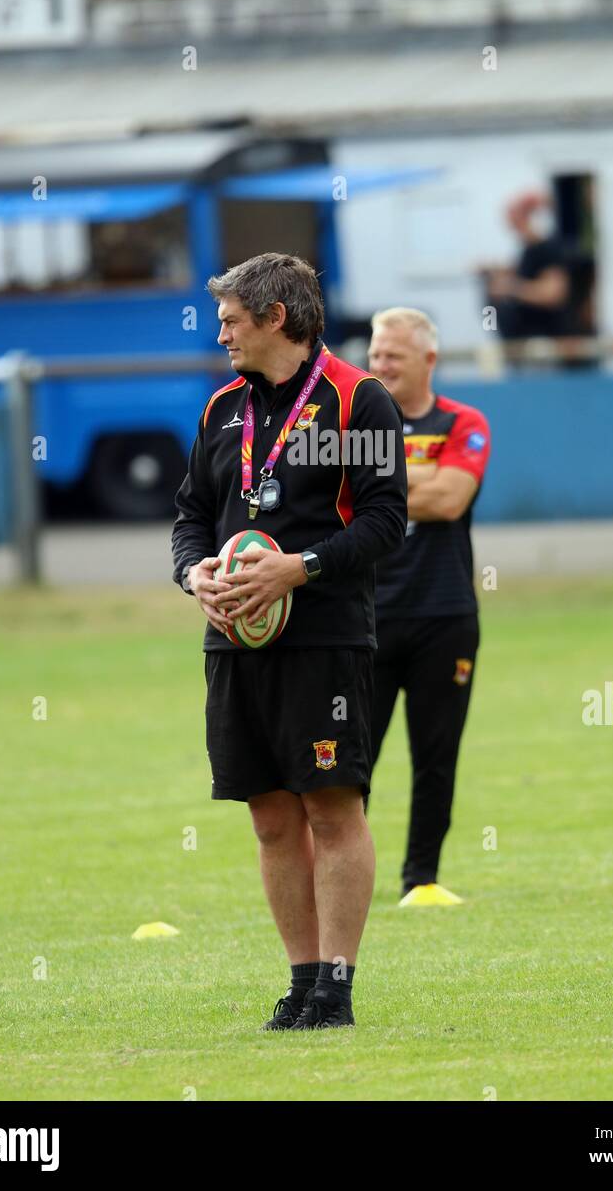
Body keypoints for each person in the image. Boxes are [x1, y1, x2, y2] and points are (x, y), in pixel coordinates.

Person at [171, 254, 406, 1030]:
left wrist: (297, 569)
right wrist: (194, 574)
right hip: (232, 640)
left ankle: (337, 984)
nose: (222, 333)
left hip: (326, 639)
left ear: (276, 317)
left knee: (332, 808)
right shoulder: (221, 411)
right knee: (270, 814)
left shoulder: (357, 400)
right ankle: (301, 980)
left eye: (233, 319)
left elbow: (385, 520)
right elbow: (191, 518)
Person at [367, 307, 490, 905]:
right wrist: (414, 482)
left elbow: (448, 499)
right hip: (365, 618)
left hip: (444, 618)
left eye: (394, 355)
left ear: (429, 360)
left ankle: (421, 881)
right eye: (375, 354)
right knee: (347, 764)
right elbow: (334, 503)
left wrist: (375, 492)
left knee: (435, 756)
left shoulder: (464, 421)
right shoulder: (355, 428)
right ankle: (344, 879)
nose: (381, 365)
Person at [480, 190, 595, 350]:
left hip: (550, 344)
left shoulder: (550, 248)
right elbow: (529, 274)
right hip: (529, 344)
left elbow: (553, 293)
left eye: (517, 217)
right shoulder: (531, 250)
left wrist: (509, 287)